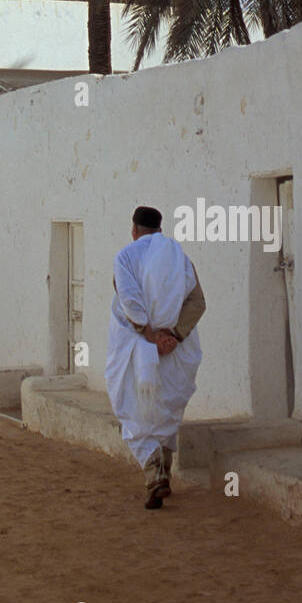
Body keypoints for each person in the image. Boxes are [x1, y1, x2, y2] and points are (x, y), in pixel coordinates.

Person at [105, 205, 206, 509]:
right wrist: (173, 336)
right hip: (176, 350)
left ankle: (155, 475)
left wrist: (151, 336)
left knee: (133, 410)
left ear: (134, 230)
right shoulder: (179, 257)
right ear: (160, 230)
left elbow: (129, 301)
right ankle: (163, 472)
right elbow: (197, 301)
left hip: (136, 349)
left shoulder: (126, 256)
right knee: (166, 409)